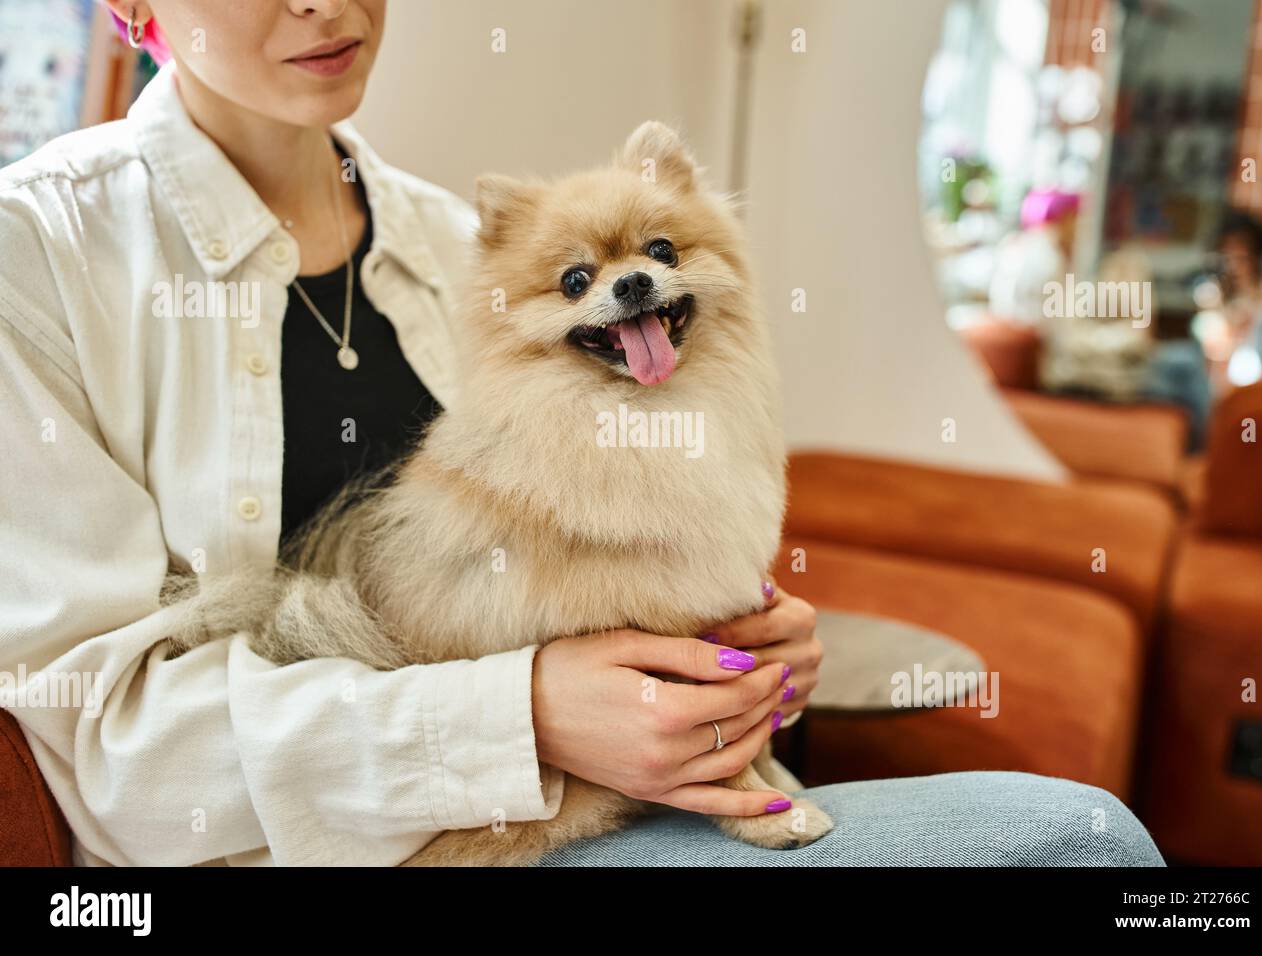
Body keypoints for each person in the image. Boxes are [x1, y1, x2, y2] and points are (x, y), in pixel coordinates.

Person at [0, 0, 1164, 866]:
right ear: (130, 11)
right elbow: (105, 750)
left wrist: (727, 663)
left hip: (576, 808)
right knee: (1075, 842)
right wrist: (528, 714)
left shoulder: (459, 236)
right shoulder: (39, 258)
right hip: (340, 846)